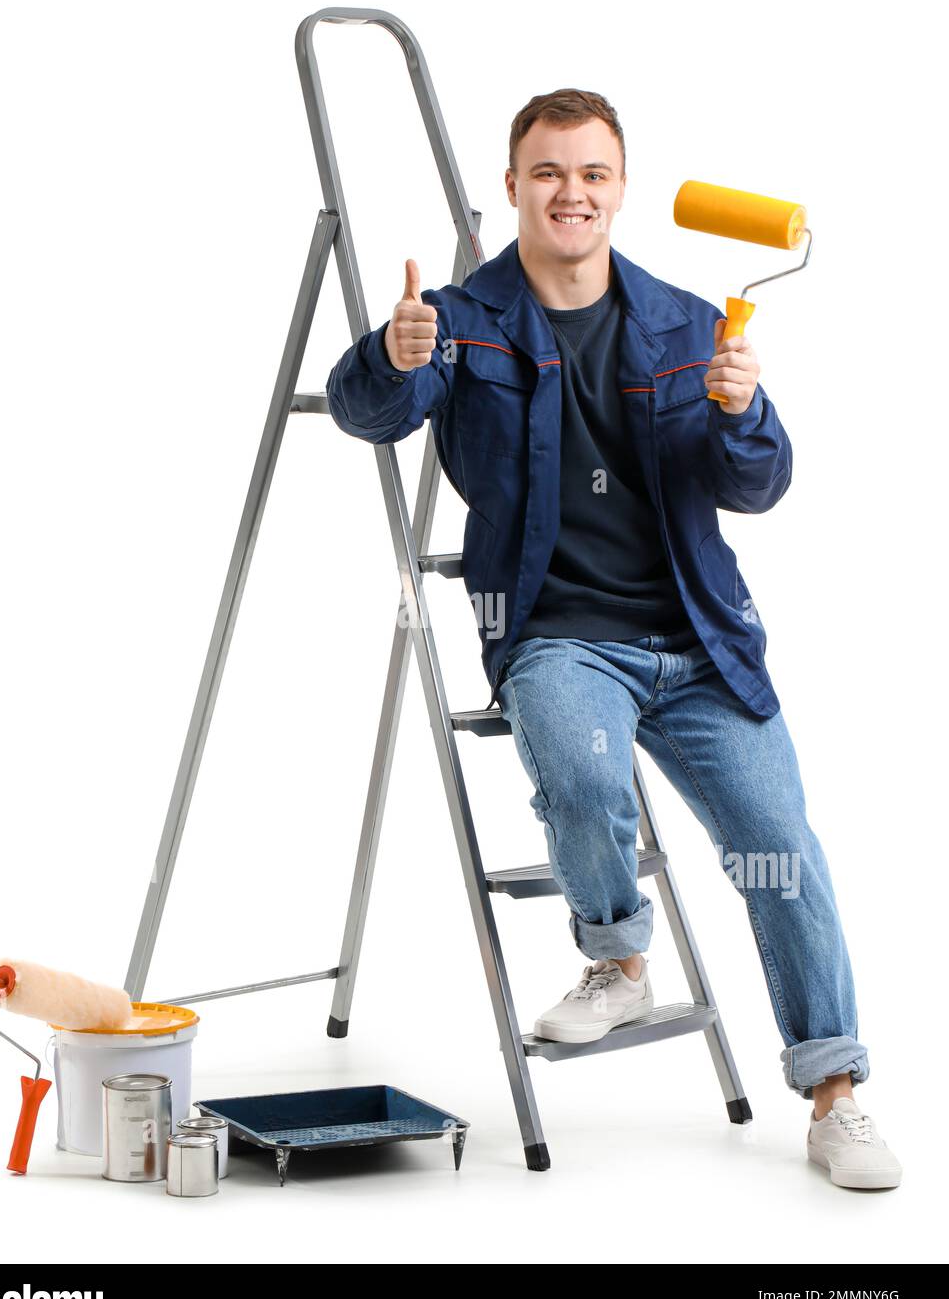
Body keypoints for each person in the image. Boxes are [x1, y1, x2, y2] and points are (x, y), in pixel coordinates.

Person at [326, 88, 901, 1190]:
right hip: (555, 635)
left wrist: (743, 415)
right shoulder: (457, 318)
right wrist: (395, 355)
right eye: (547, 172)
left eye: (591, 173)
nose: (570, 192)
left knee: (779, 845)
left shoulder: (690, 322)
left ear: (620, 189)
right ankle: (619, 957)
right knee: (585, 778)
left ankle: (834, 1092)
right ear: (512, 189)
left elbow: (759, 486)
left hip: (698, 639)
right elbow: (370, 416)